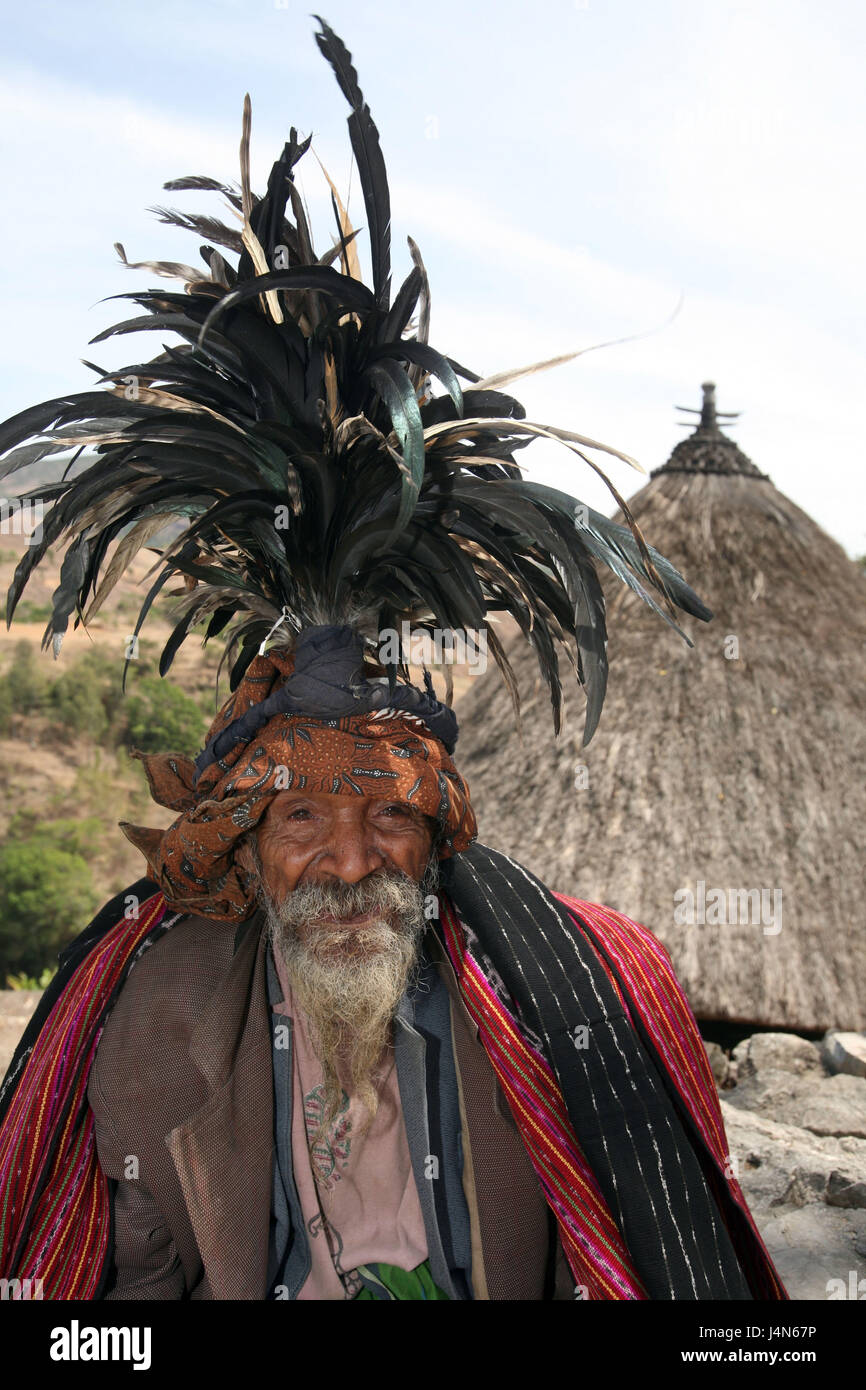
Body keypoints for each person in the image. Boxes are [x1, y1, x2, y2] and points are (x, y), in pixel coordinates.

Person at [0, 17, 786, 1301]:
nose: (347, 858)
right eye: (301, 812)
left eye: (386, 816)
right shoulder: (146, 1023)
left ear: (443, 832)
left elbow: (650, 1264)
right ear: (241, 842)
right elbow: (117, 1301)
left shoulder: (571, 1000)